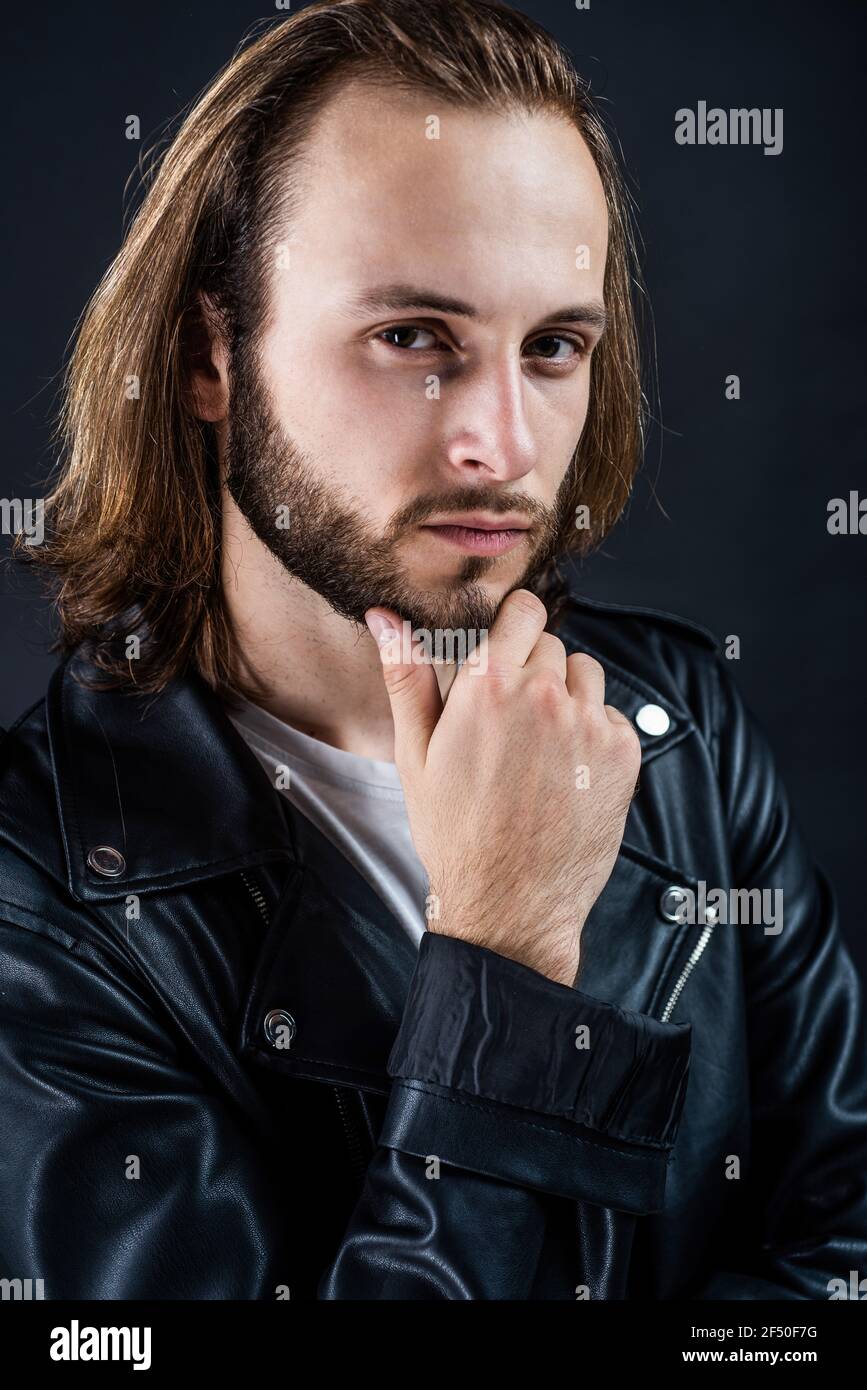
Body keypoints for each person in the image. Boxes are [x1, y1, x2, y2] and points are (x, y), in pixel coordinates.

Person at [1, 0, 865, 1301]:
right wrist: (504, 954)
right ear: (205, 355)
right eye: (414, 338)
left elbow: (840, 1248)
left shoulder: (676, 724)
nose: (505, 449)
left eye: (555, 347)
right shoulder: (38, 895)